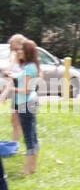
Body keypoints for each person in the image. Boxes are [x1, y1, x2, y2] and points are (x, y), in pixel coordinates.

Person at [7, 36, 40, 176]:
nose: (19, 52)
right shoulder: (30, 66)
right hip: (27, 102)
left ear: (27, 52)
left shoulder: (29, 68)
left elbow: (27, 90)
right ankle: (32, 167)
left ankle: (27, 169)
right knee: (32, 135)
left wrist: (11, 90)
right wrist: (14, 77)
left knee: (29, 137)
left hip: (26, 103)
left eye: (22, 51)